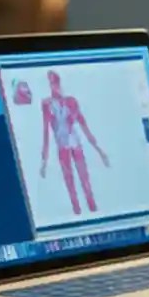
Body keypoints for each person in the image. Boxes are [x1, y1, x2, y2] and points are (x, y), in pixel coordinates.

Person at [39, 69, 109, 215]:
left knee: (84, 177)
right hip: (62, 146)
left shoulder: (71, 102)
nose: (55, 86)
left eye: (56, 83)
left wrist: (99, 150)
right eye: (52, 83)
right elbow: (46, 132)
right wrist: (44, 161)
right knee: (69, 179)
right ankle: (76, 210)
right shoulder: (47, 104)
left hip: (75, 143)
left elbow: (83, 124)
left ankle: (93, 207)